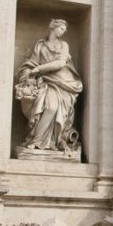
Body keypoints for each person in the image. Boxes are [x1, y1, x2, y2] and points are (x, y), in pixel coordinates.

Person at [15, 19, 83, 153]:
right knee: (41, 106)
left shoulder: (64, 45)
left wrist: (38, 69)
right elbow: (31, 63)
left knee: (52, 108)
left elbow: (60, 63)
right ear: (53, 27)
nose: (63, 31)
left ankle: (40, 141)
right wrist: (29, 72)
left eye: (64, 30)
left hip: (63, 82)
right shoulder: (40, 45)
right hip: (45, 81)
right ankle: (38, 140)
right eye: (61, 28)